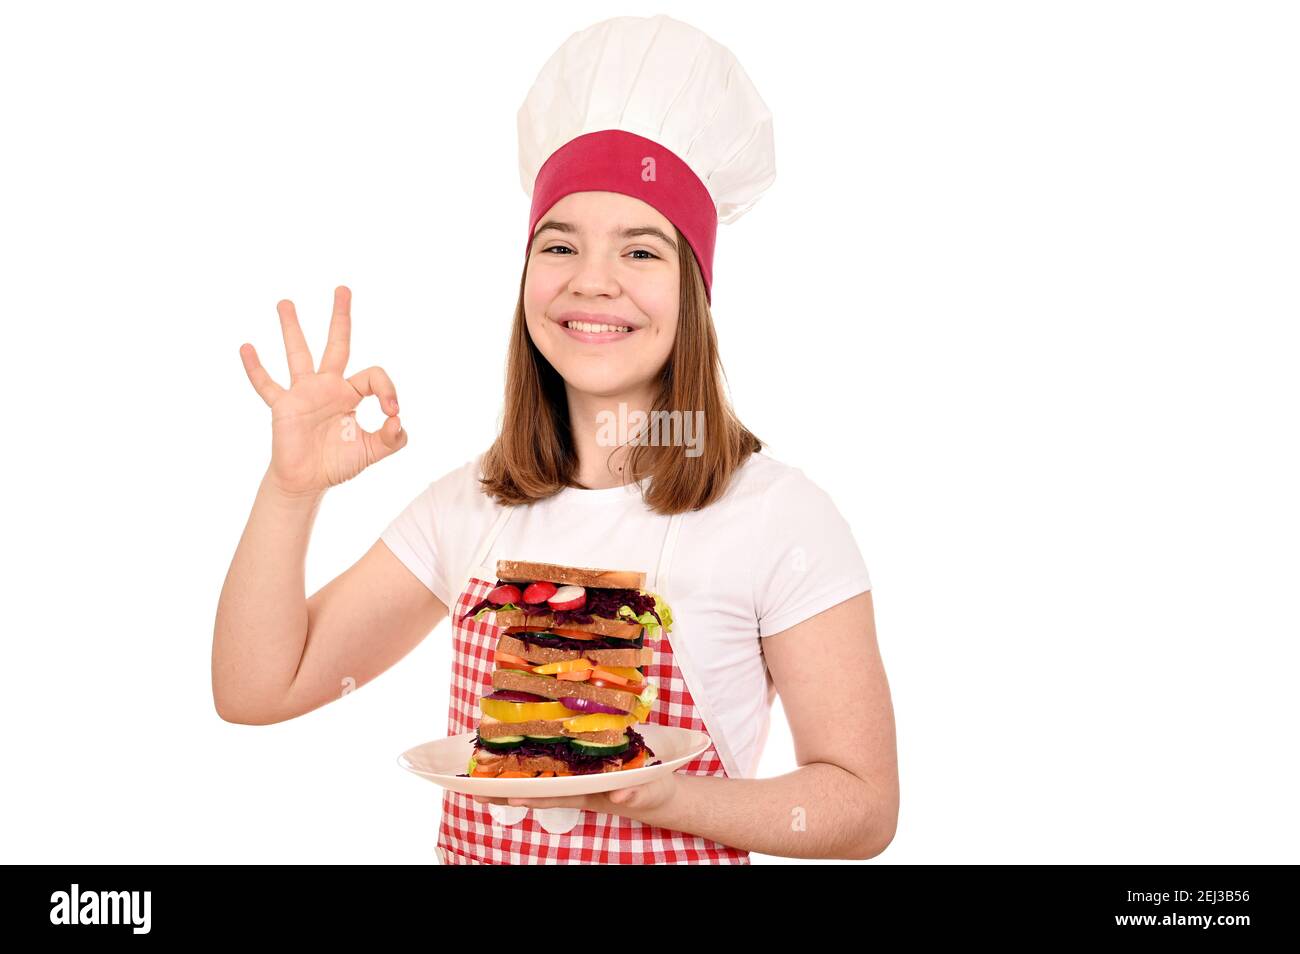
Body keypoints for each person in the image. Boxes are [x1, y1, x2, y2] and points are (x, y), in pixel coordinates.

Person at [213, 13, 897, 865]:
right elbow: (255, 689)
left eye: (641, 252)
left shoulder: (776, 515)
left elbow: (863, 805)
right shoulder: (470, 506)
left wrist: (675, 797)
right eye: (560, 243)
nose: (592, 280)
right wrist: (292, 489)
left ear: (695, 292)